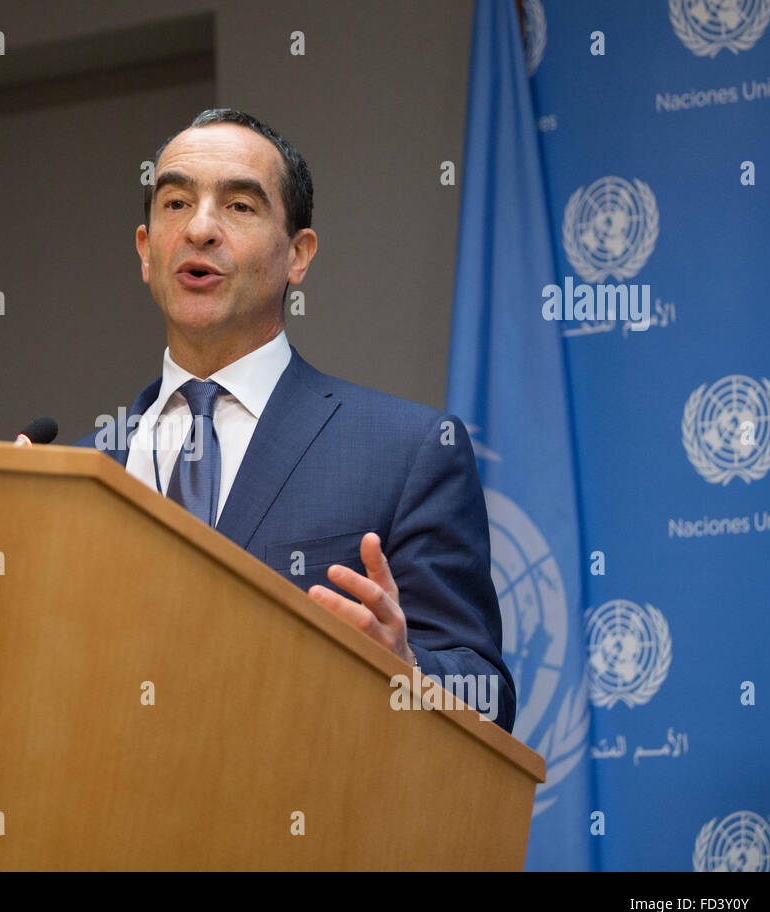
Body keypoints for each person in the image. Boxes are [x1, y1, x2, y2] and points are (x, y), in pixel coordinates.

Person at [74, 108, 516, 732]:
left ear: (298, 256)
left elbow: (490, 702)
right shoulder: (76, 475)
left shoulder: (408, 452)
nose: (199, 229)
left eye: (239, 207)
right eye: (175, 203)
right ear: (146, 251)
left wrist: (407, 670)